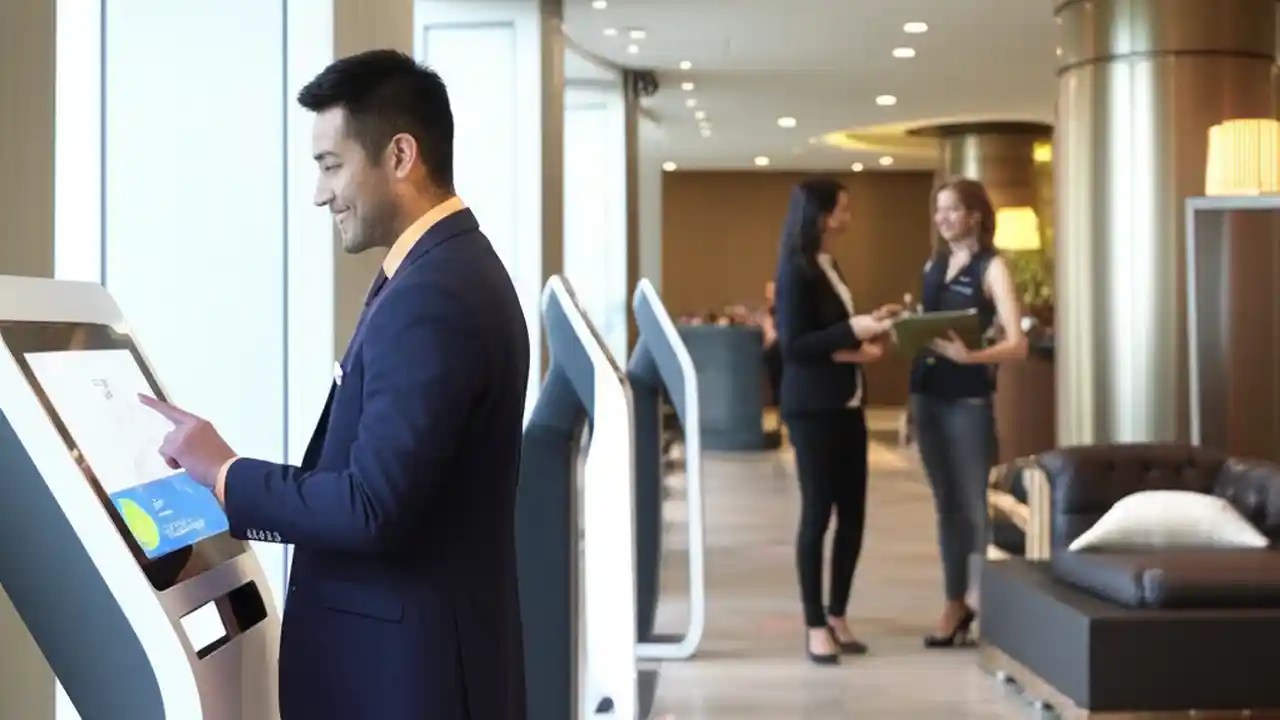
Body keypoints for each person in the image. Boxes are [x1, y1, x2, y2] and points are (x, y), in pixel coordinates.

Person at [139, 49, 530, 719]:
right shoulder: (444, 270)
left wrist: (226, 473)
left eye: (330, 165)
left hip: (406, 681)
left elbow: (371, 507)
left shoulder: (433, 293)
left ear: (401, 156)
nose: (321, 193)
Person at [772, 178, 899, 665]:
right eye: (843, 208)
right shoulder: (795, 270)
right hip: (813, 409)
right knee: (818, 514)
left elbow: (826, 338)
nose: (849, 216)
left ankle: (838, 614)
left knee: (854, 515)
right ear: (822, 215)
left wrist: (866, 329)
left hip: (847, 406)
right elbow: (796, 346)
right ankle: (813, 624)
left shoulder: (829, 265)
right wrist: (855, 333)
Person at [910, 177, 1026, 649]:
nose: (943, 219)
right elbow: (923, 329)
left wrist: (972, 359)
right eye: (939, 211)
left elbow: (1016, 345)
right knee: (946, 506)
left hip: (968, 399)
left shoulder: (992, 267)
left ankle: (985, 601)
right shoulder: (933, 264)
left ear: (974, 215)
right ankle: (954, 601)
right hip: (927, 396)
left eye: (952, 210)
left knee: (976, 504)